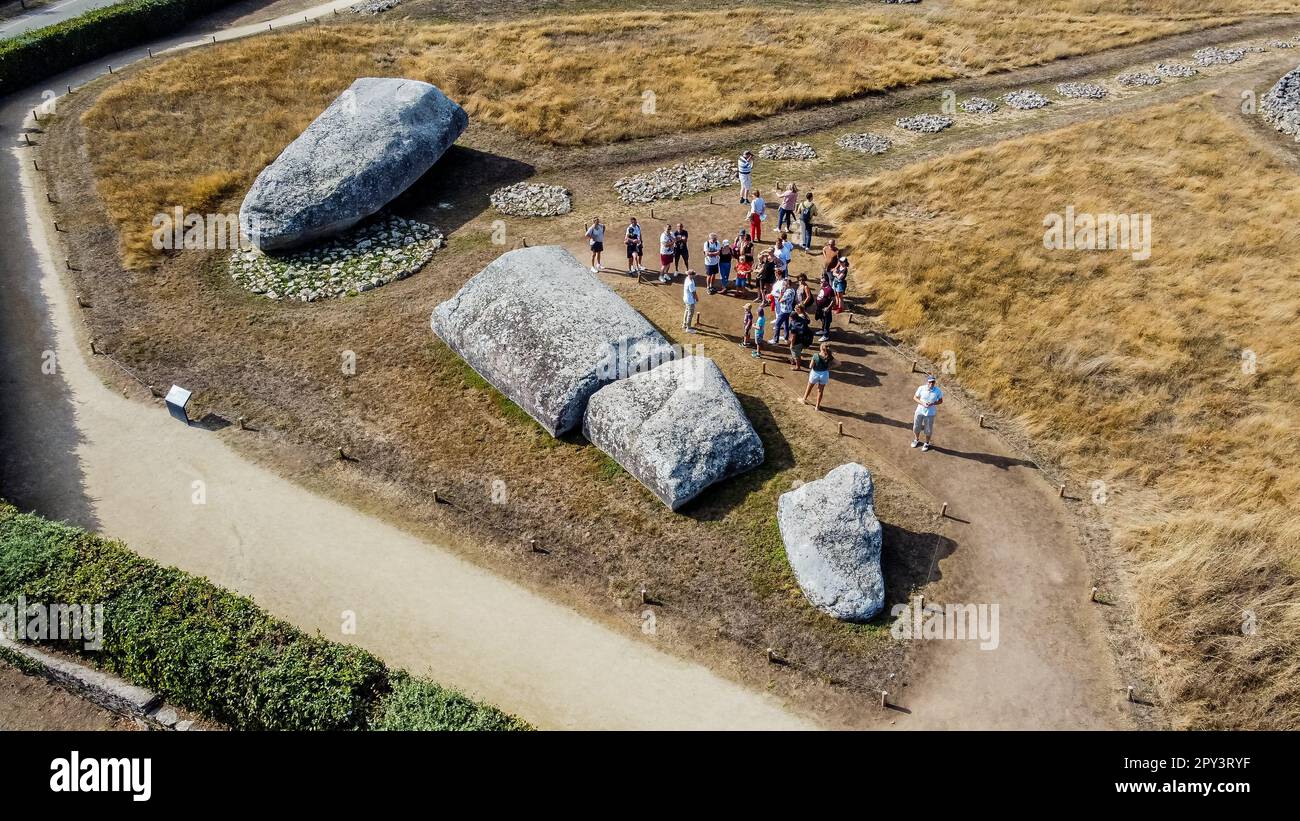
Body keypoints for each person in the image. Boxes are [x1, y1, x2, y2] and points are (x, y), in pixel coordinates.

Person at [911, 375, 944, 451]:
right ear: (927, 382)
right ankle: (916, 439)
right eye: (930, 382)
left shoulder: (938, 391)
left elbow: (941, 401)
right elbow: (915, 397)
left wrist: (933, 403)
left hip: (930, 413)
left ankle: (926, 443)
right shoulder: (921, 388)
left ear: (934, 382)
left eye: (933, 382)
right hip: (919, 411)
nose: (931, 384)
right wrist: (922, 403)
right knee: (916, 427)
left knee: (928, 429)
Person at [800, 342, 835, 410]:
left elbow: (810, 366)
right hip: (824, 374)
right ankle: (817, 406)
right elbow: (838, 363)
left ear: (821, 348)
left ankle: (804, 399)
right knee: (820, 391)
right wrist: (829, 368)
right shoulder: (829, 356)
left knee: (809, 387)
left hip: (815, 373)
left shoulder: (816, 355)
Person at [789, 304, 813, 370]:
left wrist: (792, 344)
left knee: (795, 352)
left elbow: (793, 336)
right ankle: (794, 360)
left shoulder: (794, 325)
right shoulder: (802, 319)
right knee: (798, 351)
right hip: (804, 339)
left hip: (797, 341)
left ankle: (797, 367)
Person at [813, 274, 835, 340]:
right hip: (820, 308)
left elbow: (833, 300)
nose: (820, 282)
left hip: (825, 310)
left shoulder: (830, 290)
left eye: (822, 281)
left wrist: (828, 308)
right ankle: (822, 331)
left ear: (826, 282)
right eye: (820, 281)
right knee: (822, 320)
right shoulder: (823, 287)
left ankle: (826, 335)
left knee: (826, 322)